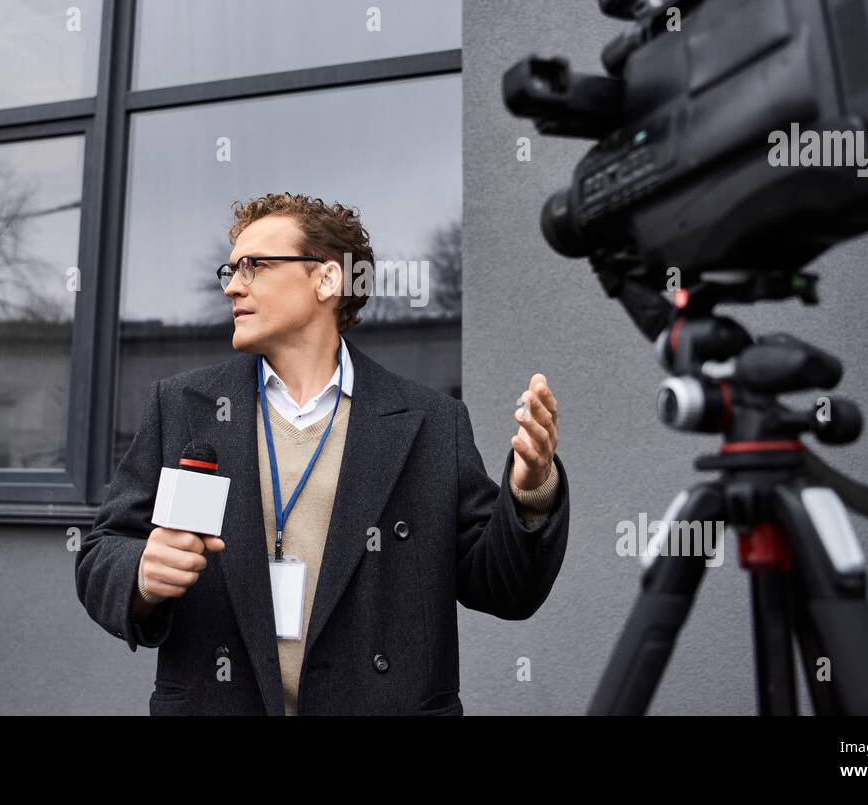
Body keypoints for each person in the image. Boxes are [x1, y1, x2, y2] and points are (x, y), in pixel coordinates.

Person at [75, 193, 570, 715]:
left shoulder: (430, 423)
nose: (232, 285)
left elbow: (503, 587)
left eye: (255, 265)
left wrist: (531, 490)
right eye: (231, 267)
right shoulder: (183, 407)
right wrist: (141, 576)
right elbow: (103, 550)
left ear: (327, 281)